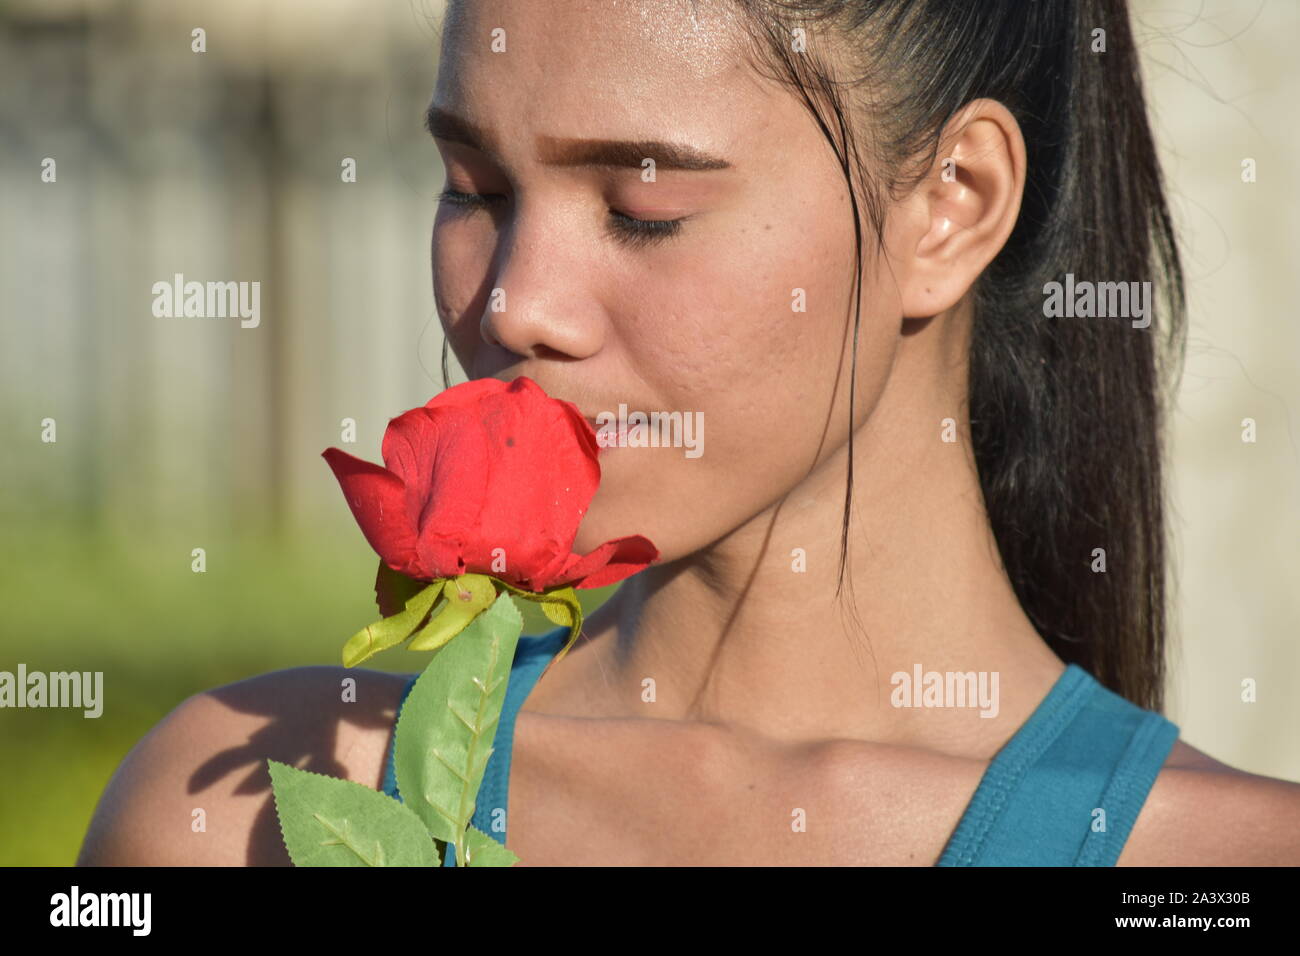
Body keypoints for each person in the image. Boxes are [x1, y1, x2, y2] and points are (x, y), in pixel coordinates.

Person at [77, 0, 1300, 866]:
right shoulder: (243, 804)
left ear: (950, 205)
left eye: (643, 205)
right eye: (474, 190)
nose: (513, 301)